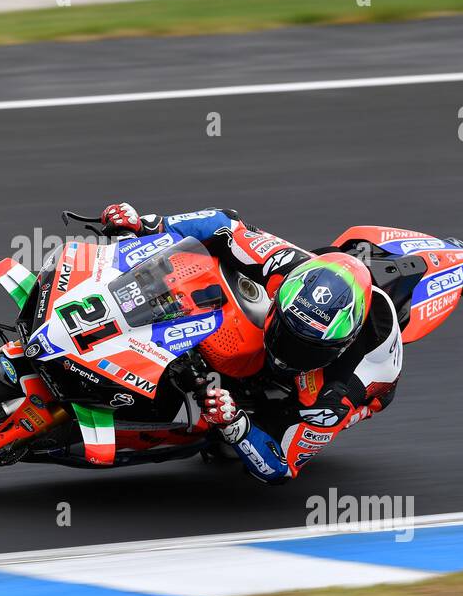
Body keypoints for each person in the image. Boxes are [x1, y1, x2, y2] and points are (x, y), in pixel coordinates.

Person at [99, 203, 403, 483]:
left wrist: (235, 425)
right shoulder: (283, 266)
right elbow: (225, 224)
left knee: (229, 448)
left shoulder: (337, 393)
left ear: (339, 346)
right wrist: (149, 224)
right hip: (320, 282)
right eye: (285, 332)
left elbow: (281, 466)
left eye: (305, 347)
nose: (286, 353)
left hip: (358, 387)